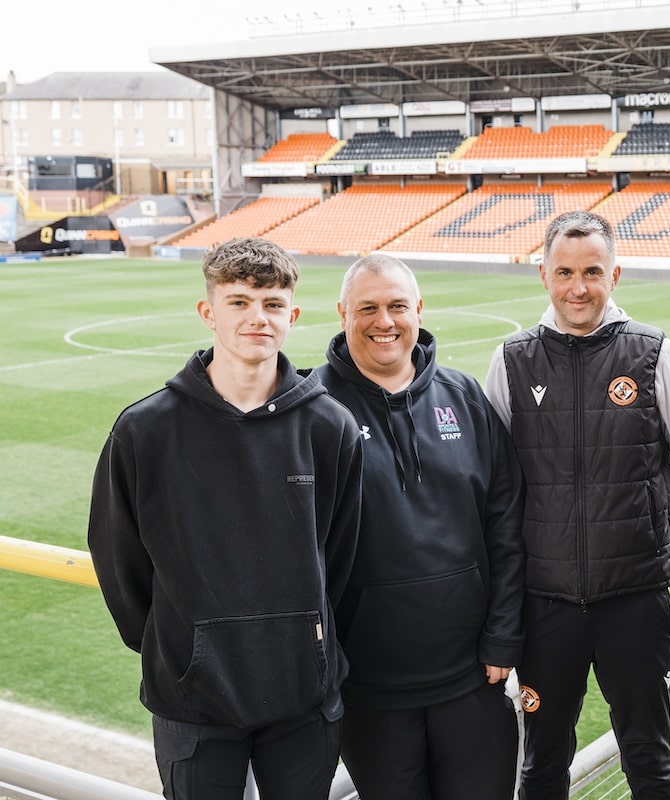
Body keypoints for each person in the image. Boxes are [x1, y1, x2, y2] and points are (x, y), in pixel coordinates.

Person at [87, 237, 364, 800]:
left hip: (301, 699)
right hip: (194, 704)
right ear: (208, 312)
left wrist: (307, 645)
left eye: (271, 303)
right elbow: (120, 563)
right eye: (238, 302)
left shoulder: (329, 427)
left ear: (293, 314)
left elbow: (341, 558)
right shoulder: (145, 430)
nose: (256, 318)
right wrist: (185, 652)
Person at [484, 209, 670, 800]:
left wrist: (659, 533)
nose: (577, 288)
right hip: (545, 604)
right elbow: (494, 477)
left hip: (634, 601)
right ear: (543, 275)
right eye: (564, 272)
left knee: (649, 759)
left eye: (591, 272)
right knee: (540, 765)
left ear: (615, 274)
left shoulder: (653, 352)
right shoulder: (512, 360)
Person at [315, 253, 525, 800]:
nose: (384, 321)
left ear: (418, 311)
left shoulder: (465, 397)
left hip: (473, 679)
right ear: (343, 314)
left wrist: (503, 636)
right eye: (368, 308)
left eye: (396, 306)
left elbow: (506, 522)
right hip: (369, 690)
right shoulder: (312, 409)